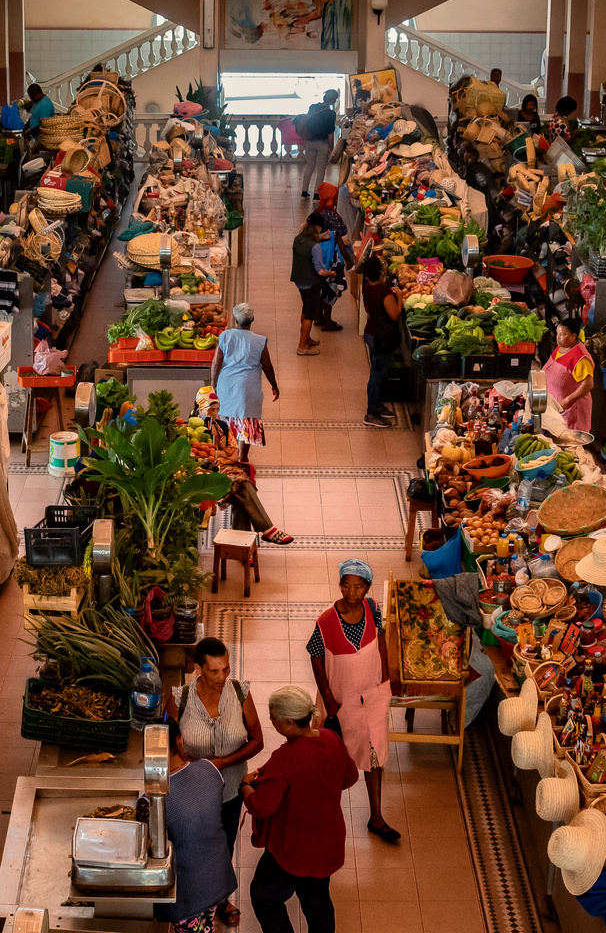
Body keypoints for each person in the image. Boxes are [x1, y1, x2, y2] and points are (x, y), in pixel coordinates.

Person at [240, 686, 358, 933]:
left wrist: (245, 787)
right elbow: (350, 777)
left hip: (295, 847)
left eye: (273, 718)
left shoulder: (286, 757)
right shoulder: (331, 738)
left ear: (289, 723)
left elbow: (262, 806)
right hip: (328, 841)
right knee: (316, 897)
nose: (271, 721)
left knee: (264, 896)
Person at [171, 638, 265, 926]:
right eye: (213, 671)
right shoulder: (180, 699)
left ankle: (220, 899)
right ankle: (192, 898)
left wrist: (221, 764)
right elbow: (167, 742)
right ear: (198, 668)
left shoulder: (240, 693)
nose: (222, 677)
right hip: (192, 795)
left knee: (224, 845)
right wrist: (193, 769)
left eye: (225, 669)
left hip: (230, 791)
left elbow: (258, 741)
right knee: (192, 846)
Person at [307, 559, 400, 841]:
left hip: (372, 697)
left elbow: (381, 639)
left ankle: (376, 817)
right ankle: (325, 819)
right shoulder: (326, 620)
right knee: (335, 761)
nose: (351, 592)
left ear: (367, 588)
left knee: (375, 757)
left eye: (358, 586)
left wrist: (385, 678)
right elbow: (315, 656)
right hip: (341, 702)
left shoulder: (373, 609)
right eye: (346, 585)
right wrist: (328, 699)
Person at [154, 716, 239, 932]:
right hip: (216, 875)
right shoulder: (209, 770)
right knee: (206, 921)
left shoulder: (156, 798)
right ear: (180, 741)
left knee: (197, 928)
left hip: (188, 890)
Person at [195, 388, 292, 544]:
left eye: (217, 409)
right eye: (211, 409)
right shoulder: (195, 429)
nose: (214, 413)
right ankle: (267, 531)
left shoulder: (222, 426)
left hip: (230, 470)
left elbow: (235, 454)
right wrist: (223, 454)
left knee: (241, 488)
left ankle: (245, 546)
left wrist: (219, 455)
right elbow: (203, 456)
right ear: (200, 408)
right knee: (243, 485)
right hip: (208, 474)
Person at [210, 303, 278, 463]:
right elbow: (267, 366)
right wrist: (274, 385)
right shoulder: (260, 341)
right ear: (252, 320)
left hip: (227, 385)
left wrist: (213, 384)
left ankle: (226, 458)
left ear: (235, 319)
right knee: (246, 422)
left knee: (226, 420)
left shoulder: (225, 336)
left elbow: (216, 363)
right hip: (249, 386)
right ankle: (242, 458)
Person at [360, 253, 402, 428]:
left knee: (378, 370)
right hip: (381, 338)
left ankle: (378, 406)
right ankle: (371, 414)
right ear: (380, 273)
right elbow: (394, 314)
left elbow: (368, 309)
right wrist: (399, 297)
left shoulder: (367, 287)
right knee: (377, 375)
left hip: (370, 333)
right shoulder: (384, 292)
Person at [544, 315, 594, 435]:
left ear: (573, 336)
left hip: (571, 411)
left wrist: (567, 401)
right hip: (558, 408)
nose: (558, 338)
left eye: (562, 334)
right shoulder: (562, 347)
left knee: (571, 446)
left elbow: (588, 384)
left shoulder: (581, 357)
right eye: (557, 334)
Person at [291, 213, 333, 355]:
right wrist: (332, 274)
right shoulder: (315, 247)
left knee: (305, 308)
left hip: (299, 281)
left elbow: (306, 247)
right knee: (310, 314)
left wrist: (321, 238)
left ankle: (306, 338)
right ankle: (301, 346)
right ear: (317, 227)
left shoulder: (298, 239)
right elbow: (320, 271)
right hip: (311, 283)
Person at [298, 90, 339, 198]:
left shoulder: (313, 107)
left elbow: (306, 123)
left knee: (309, 166)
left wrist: (304, 141)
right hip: (323, 143)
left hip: (310, 141)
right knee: (321, 169)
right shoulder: (331, 114)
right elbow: (330, 133)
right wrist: (331, 148)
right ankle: (317, 194)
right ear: (333, 100)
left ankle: (304, 192)